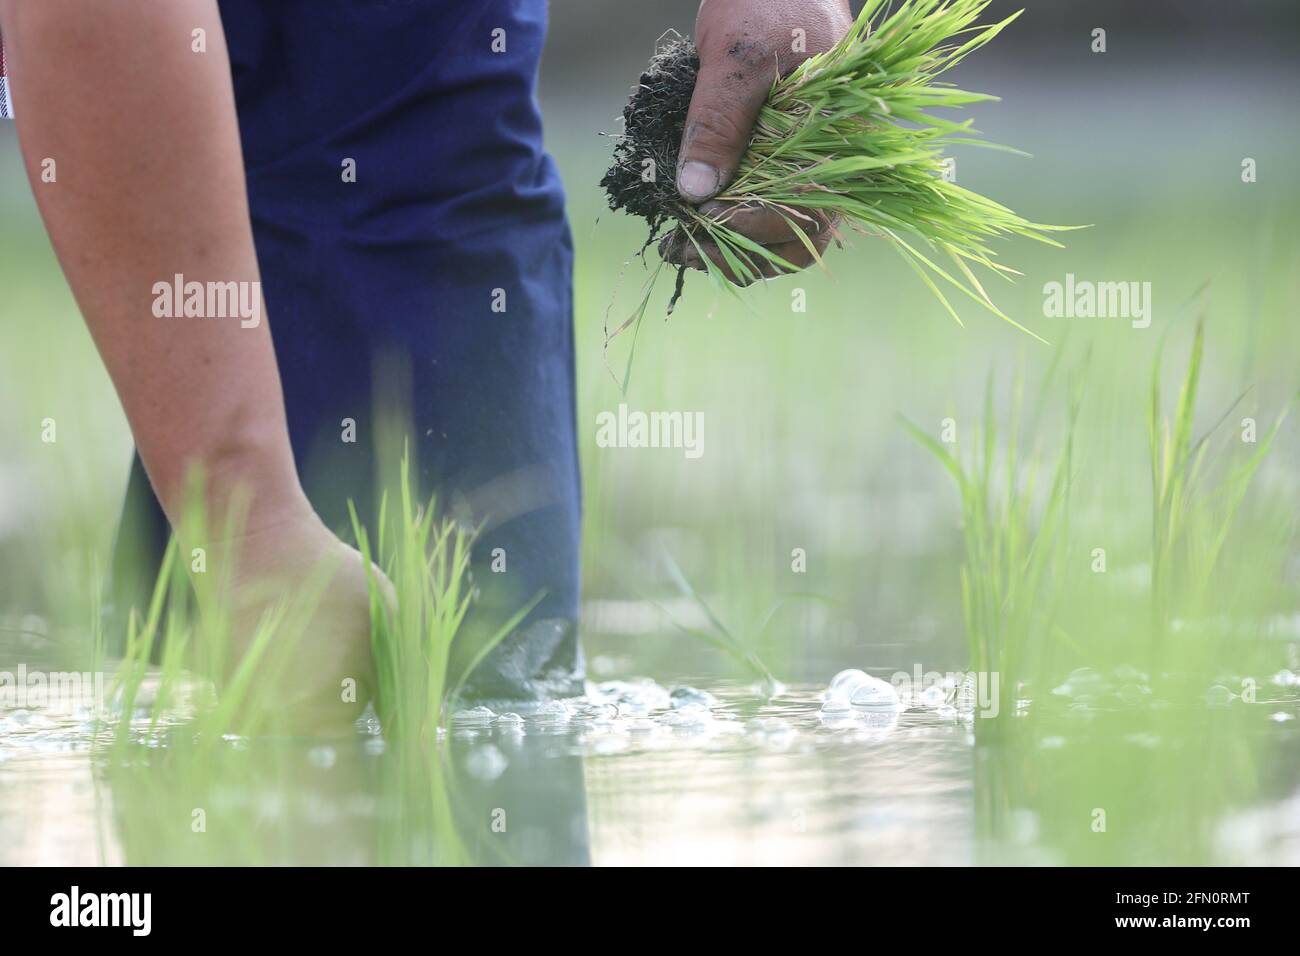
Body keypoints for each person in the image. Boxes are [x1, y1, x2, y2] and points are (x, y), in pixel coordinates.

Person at [0, 0, 848, 718]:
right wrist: (243, 517)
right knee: (246, 757)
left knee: (500, 717)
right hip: (253, 210)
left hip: (453, 206)